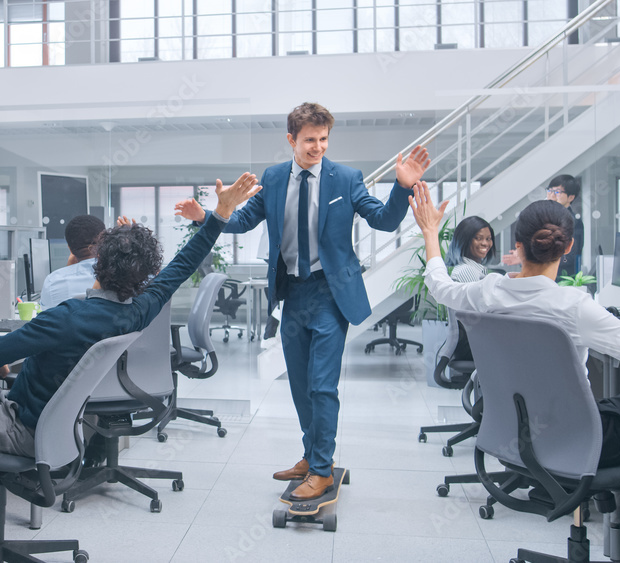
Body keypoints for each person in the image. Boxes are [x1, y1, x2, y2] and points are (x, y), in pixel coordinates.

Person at [0, 173, 262, 555]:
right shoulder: (139, 310)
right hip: (60, 436)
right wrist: (220, 215)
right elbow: (182, 263)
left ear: (94, 263)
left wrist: (6, 366)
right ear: (145, 274)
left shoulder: (64, 316)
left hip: (19, 430)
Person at [411, 183, 620, 563]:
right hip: (579, 443)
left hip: (507, 438)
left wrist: (430, 231)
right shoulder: (575, 306)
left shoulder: (486, 292)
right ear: (569, 247)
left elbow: (439, 285)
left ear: (518, 246)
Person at [174, 102, 430, 500]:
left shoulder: (345, 178)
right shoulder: (275, 179)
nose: (318, 147)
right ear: (291, 140)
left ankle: (323, 470)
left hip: (330, 293)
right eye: (310, 140)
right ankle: (311, 457)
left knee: (322, 385)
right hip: (292, 294)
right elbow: (242, 220)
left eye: (324, 139)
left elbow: (383, 219)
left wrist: (401, 187)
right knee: (298, 385)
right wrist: (204, 214)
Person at [502, 174, 583, 278]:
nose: (551, 195)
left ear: (571, 197)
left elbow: (570, 257)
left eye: (557, 192)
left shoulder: (573, 221)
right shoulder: (545, 216)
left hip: (561, 278)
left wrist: (526, 256)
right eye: (550, 190)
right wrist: (526, 253)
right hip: (539, 276)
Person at [39, 214, 105, 309]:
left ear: (70, 249)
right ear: (104, 244)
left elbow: (47, 318)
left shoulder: (53, 282)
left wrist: (68, 270)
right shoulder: (120, 279)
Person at [446, 216, 496, 283]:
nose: (485, 243)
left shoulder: (473, 270)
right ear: (464, 240)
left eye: (488, 239)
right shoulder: (467, 271)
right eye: (478, 238)